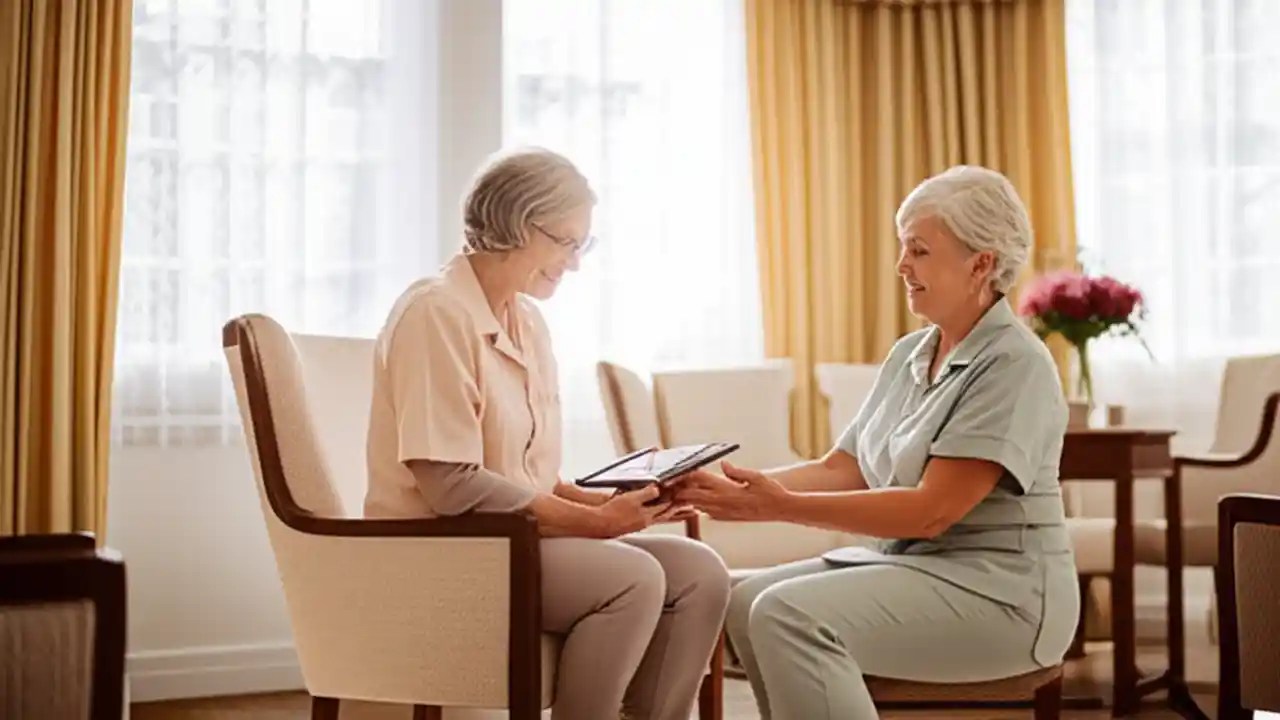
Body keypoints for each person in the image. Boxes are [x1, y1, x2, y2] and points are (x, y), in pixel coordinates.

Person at [676, 166, 1080, 720]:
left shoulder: (1014, 364)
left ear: (980, 263)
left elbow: (932, 511)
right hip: (919, 571)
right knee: (745, 603)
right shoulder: (911, 353)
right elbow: (844, 467)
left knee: (787, 614)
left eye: (918, 250)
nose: (901, 266)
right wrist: (721, 488)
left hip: (1005, 596)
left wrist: (778, 506)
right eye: (902, 247)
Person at [363, 147, 731, 720]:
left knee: (700, 573)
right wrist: (597, 524)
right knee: (630, 577)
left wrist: (615, 502)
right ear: (516, 222)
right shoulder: (436, 312)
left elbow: (526, 476)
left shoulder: (526, 319)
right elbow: (451, 484)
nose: (576, 263)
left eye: (583, 245)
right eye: (567, 242)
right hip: (446, 554)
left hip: (509, 542)